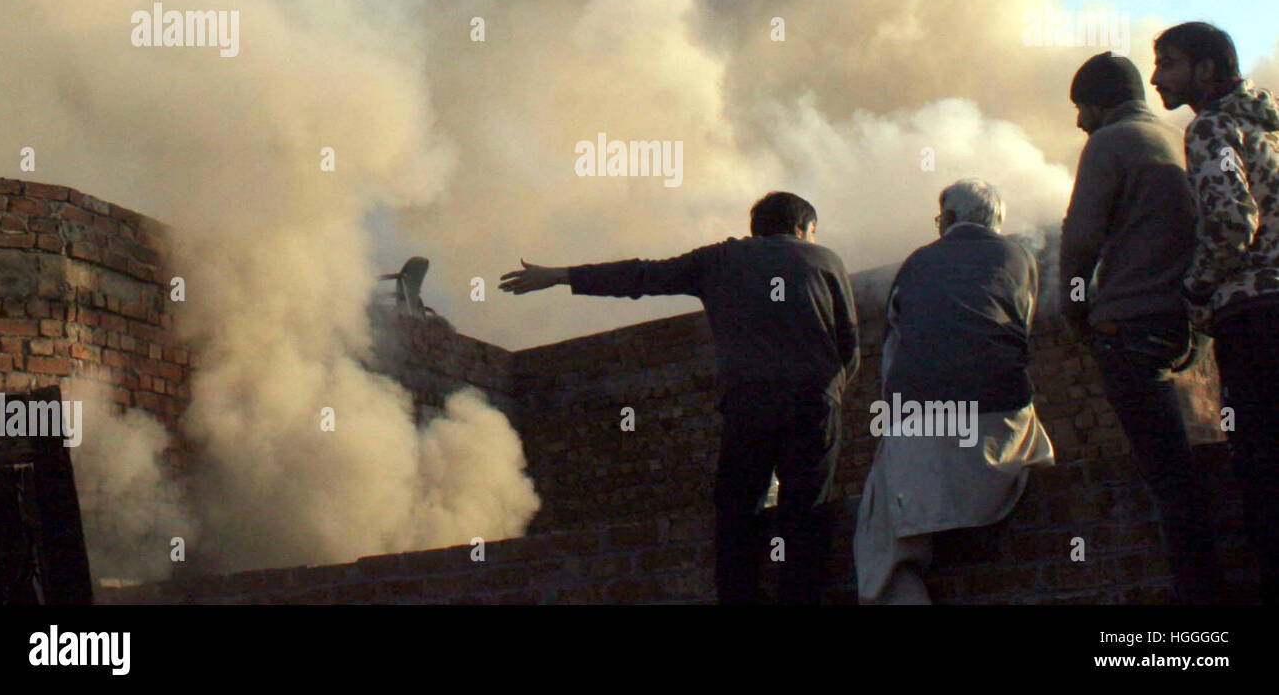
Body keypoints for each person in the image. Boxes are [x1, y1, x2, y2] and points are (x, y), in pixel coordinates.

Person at [499, 191, 860, 604]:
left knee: (738, 516)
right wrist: (832, 393)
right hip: (813, 404)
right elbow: (849, 346)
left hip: (747, 405)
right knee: (806, 516)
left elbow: (642, 276)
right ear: (802, 228)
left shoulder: (720, 261)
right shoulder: (826, 261)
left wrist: (562, 275)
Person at [1060, 51, 1221, 604]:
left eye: (1081, 107)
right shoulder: (1178, 138)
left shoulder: (1108, 143)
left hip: (1130, 327)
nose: (1079, 121)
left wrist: (1075, 306)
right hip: (1186, 330)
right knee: (1193, 462)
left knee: (1168, 479)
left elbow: (1080, 238)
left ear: (1099, 102)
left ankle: (1199, 615)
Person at [853, 179, 1054, 604]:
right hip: (1001, 423)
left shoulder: (917, 263)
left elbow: (896, 349)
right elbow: (1019, 332)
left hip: (923, 429)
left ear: (947, 220)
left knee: (880, 526)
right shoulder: (1019, 258)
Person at [1151, 21, 1279, 603]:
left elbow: (1231, 221)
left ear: (1205, 70)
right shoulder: (1269, 128)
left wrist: (1196, 291)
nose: (1157, 77)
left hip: (1254, 321)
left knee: (1262, 467)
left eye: (1169, 63)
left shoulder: (1210, 128)